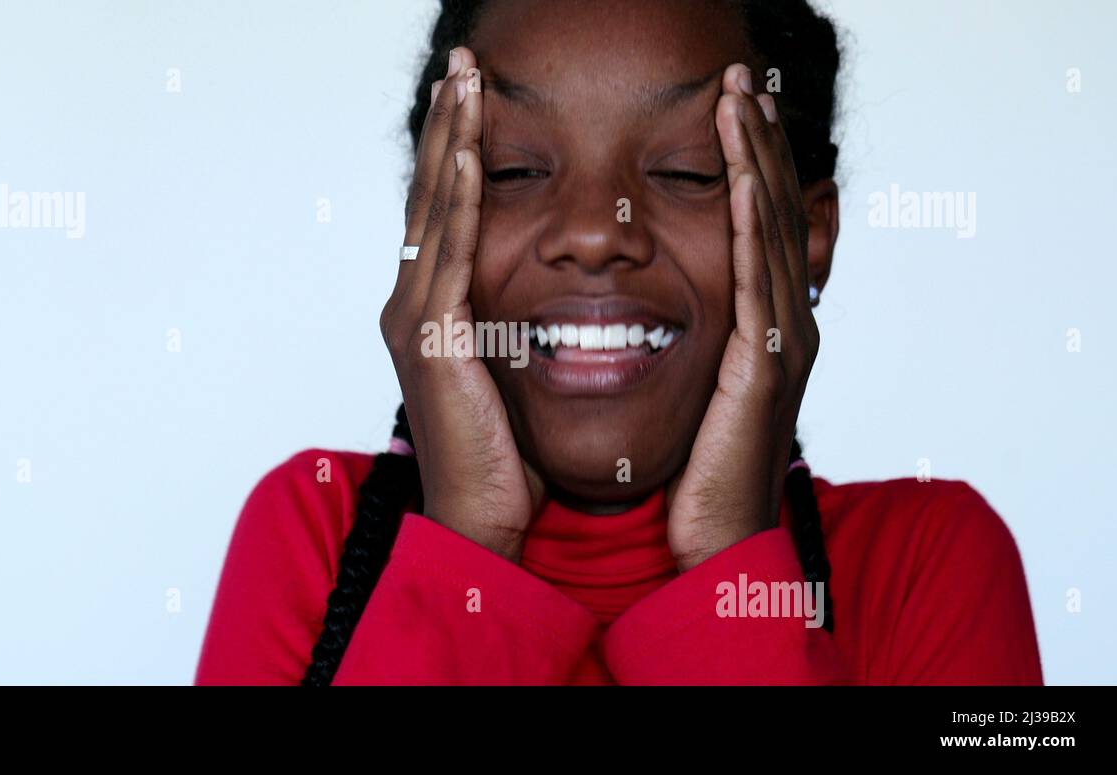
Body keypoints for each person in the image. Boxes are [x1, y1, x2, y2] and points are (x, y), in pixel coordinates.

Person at [196, 0, 1043, 685]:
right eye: (514, 170)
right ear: (429, 220)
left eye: (685, 171)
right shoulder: (312, 535)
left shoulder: (932, 563)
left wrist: (731, 554)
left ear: (807, 233)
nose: (597, 232)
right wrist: (465, 546)